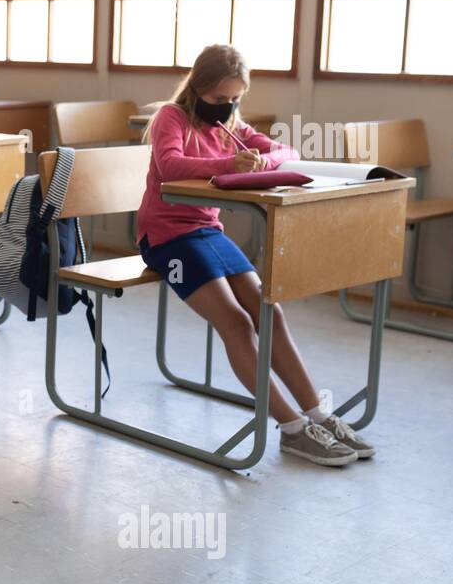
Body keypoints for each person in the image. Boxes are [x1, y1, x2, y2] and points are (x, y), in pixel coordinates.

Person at [138, 44, 374, 467]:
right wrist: (233, 164)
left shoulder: (232, 122)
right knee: (236, 321)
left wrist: (261, 159)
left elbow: (289, 153)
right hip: (165, 240)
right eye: (218, 100)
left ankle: (318, 413)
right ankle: (293, 429)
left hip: (207, 231)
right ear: (198, 88)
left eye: (234, 99)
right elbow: (170, 166)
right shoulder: (171, 118)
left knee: (271, 313)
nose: (226, 107)